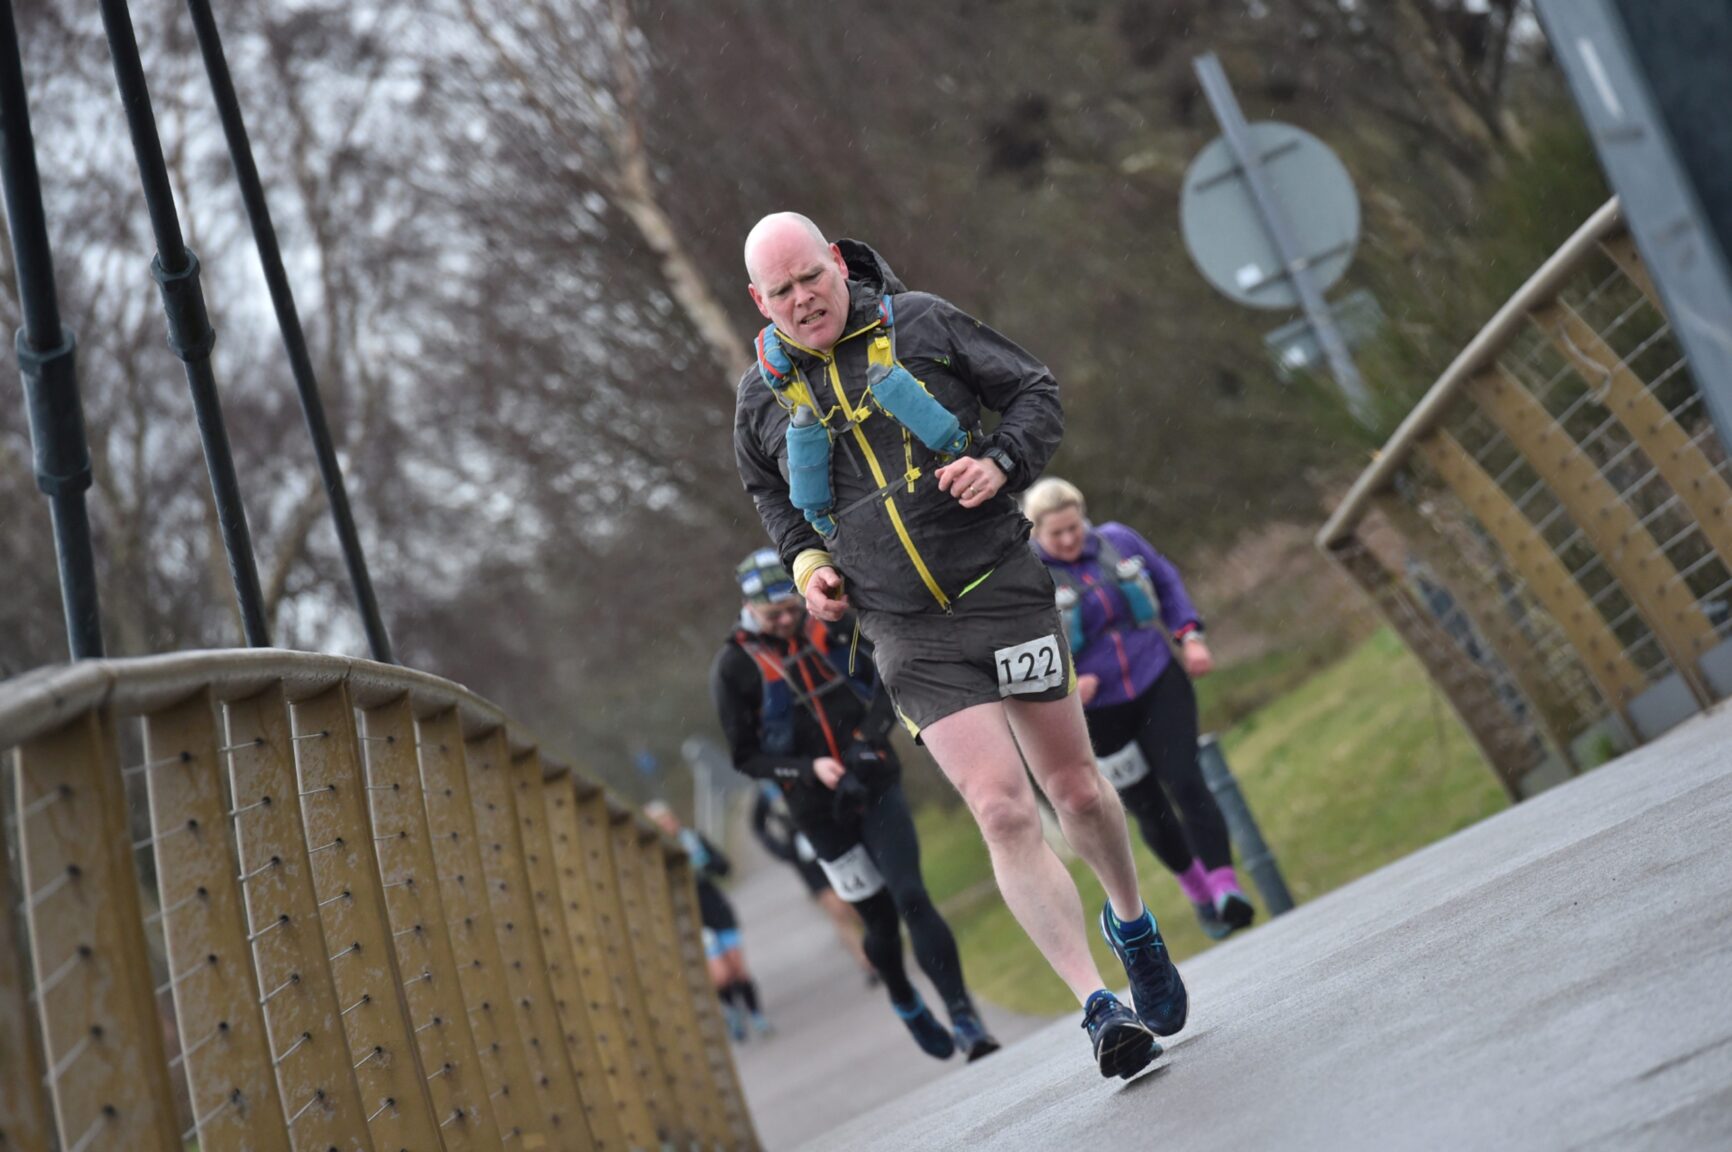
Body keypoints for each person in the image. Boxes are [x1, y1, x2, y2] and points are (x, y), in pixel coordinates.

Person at [732, 212, 1186, 1079]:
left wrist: (1004, 464)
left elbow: (1036, 393)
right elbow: (770, 494)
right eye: (781, 292)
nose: (803, 302)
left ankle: (1132, 925)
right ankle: (1098, 1006)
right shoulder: (761, 398)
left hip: (1000, 589)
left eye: (811, 279)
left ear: (836, 264)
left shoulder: (925, 324)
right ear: (761, 301)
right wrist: (808, 564)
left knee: (1078, 792)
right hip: (904, 629)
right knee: (1002, 809)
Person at [713, 549, 1000, 1061]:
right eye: (771, 614)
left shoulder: (840, 626)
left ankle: (964, 1016)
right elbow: (745, 757)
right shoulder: (734, 666)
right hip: (816, 810)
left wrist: (867, 741)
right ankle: (903, 996)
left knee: (911, 893)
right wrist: (807, 770)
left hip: (874, 782)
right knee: (880, 921)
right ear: (747, 607)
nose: (784, 620)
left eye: (789, 608)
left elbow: (891, 684)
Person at [1026, 477, 1254, 939]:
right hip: (1097, 711)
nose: (1070, 540)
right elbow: (1025, 641)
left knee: (1187, 780)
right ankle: (1199, 893)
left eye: (1074, 528)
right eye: (1057, 534)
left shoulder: (1117, 541)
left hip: (1156, 679)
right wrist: (1067, 683)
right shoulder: (1029, 574)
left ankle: (1226, 887)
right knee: (1150, 808)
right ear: (1036, 534)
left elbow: (1166, 581)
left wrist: (1189, 635)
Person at [644, 801, 771, 1041]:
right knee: (721, 975)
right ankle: (731, 1010)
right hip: (693, 920)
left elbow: (725, 867)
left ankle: (756, 1015)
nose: (666, 825)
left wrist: (704, 863)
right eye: (659, 823)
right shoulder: (654, 858)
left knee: (738, 969)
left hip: (717, 909)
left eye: (667, 819)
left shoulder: (694, 840)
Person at [749, 779, 878, 983]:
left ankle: (880, 946)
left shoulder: (801, 772)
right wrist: (783, 851)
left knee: (854, 905)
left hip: (829, 845)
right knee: (837, 911)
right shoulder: (766, 792)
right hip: (807, 862)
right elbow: (758, 827)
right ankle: (866, 963)